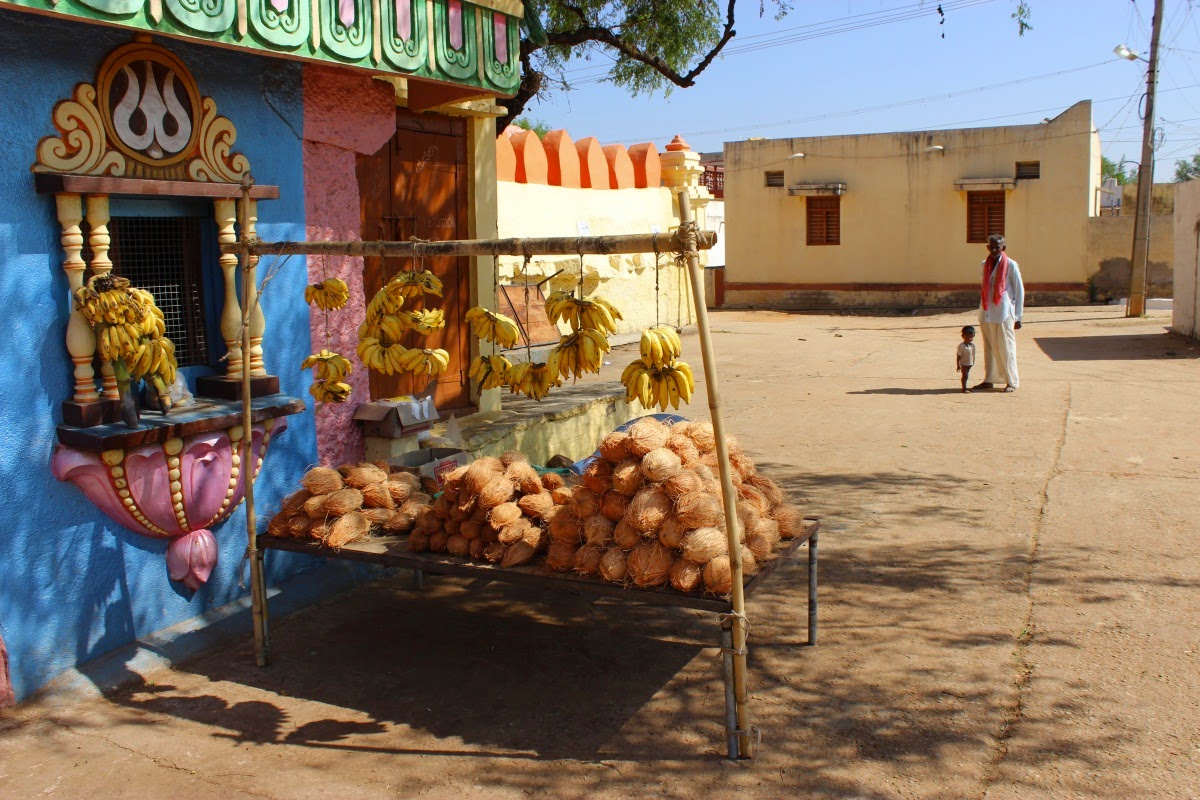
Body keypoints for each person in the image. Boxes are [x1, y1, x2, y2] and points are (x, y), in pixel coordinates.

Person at [973, 234, 1024, 393]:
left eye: (998, 247)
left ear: (1003, 248)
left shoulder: (1011, 265)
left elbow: (1019, 290)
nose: (994, 250)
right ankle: (989, 379)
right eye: (992, 247)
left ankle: (1011, 381)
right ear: (987, 248)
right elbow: (984, 287)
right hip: (987, 311)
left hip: (1004, 312)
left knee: (1006, 346)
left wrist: (1018, 316)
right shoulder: (984, 264)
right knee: (989, 347)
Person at [956, 325, 976, 393]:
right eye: (967, 337)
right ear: (963, 336)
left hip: (969, 363)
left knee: (966, 375)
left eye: (971, 337)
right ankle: (964, 388)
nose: (969, 339)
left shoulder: (972, 345)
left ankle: (965, 387)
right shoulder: (961, 346)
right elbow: (959, 355)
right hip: (964, 363)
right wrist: (958, 364)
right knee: (965, 375)